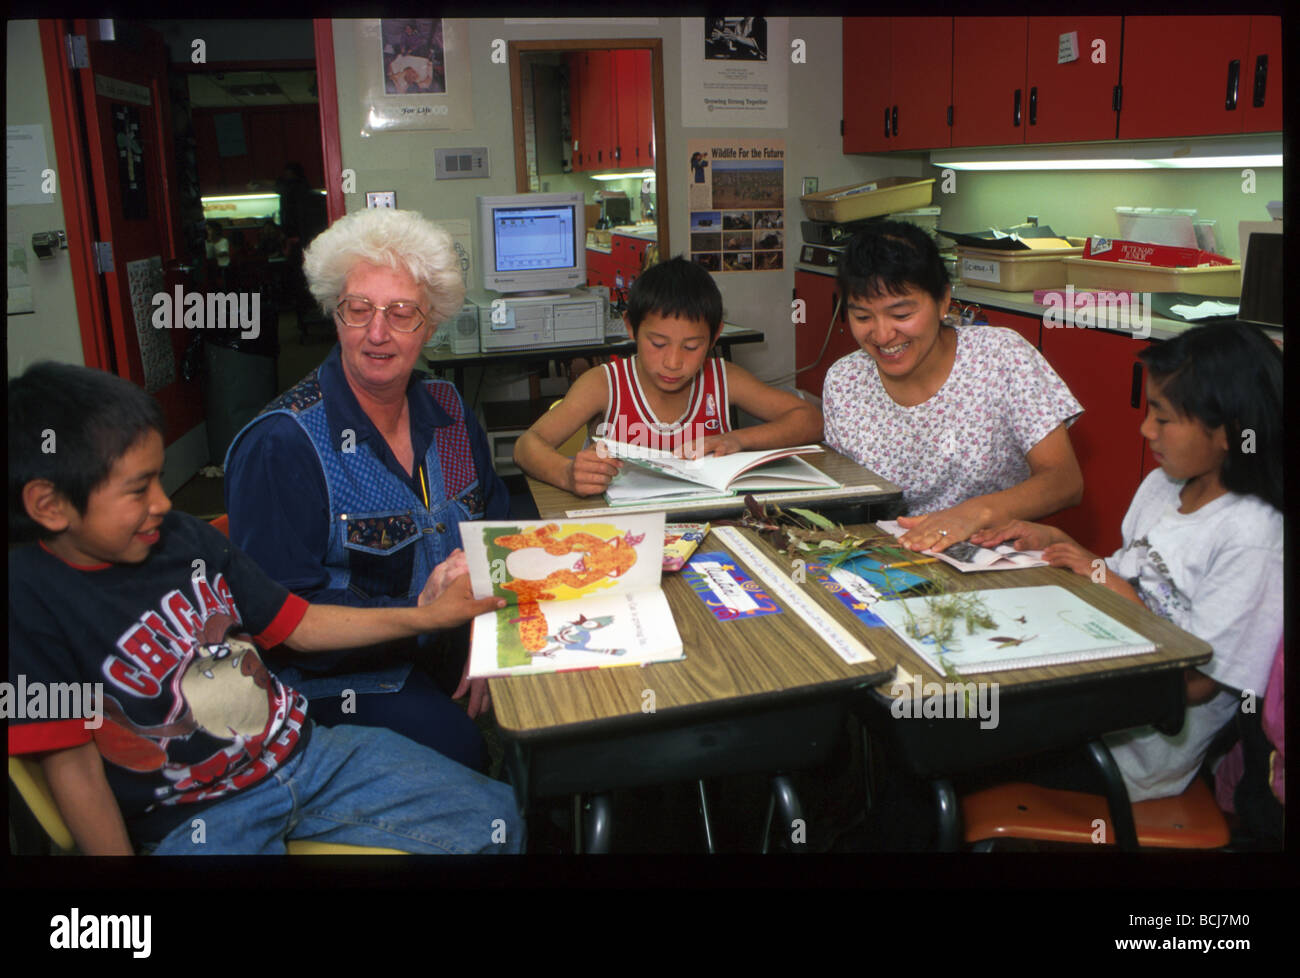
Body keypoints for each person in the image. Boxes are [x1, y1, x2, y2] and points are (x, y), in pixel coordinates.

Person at [8, 362, 522, 855]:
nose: (164, 502)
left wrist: (425, 614)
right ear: (50, 505)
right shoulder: (29, 606)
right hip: (200, 817)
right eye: (139, 490)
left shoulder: (179, 537)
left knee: (497, 820)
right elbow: (72, 768)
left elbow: (299, 623)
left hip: (305, 755)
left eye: (160, 479)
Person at [224, 209, 508, 772]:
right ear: (335, 314)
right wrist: (421, 614)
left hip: (456, 641)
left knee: (578, 697)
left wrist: (492, 637)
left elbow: (497, 536)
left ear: (430, 325)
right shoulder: (283, 445)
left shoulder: (450, 411)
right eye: (359, 310)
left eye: (402, 313)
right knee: (461, 749)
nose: (377, 333)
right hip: (336, 679)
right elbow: (282, 621)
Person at [974, 323, 1283, 803]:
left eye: (1163, 417)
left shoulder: (1254, 536)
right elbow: (1131, 572)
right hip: (1090, 687)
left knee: (951, 745)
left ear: (1227, 431)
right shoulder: (1164, 484)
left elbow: (1197, 683)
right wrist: (1058, 542)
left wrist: (1112, 586)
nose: (1145, 430)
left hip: (1132, 752)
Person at [821, 221, 1084, 552]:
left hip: (991, 556)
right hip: (887, 554)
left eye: (901, 314)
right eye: (862, 317)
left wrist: (972, 514)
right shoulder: (845, 381)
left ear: (943, 301)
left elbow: (1064, 482)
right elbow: (850, 498)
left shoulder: (1001, 356)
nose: (883, 335)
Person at [514, 255, 823, 496]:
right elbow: (527, 444)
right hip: (624, 535)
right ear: (631, 327)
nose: (673, 362)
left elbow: (811, 420)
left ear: (715, 337)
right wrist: (568, 474)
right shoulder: (605, 384)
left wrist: (737, 440)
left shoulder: (723, 379)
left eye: (691, 346)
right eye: (658, 344)